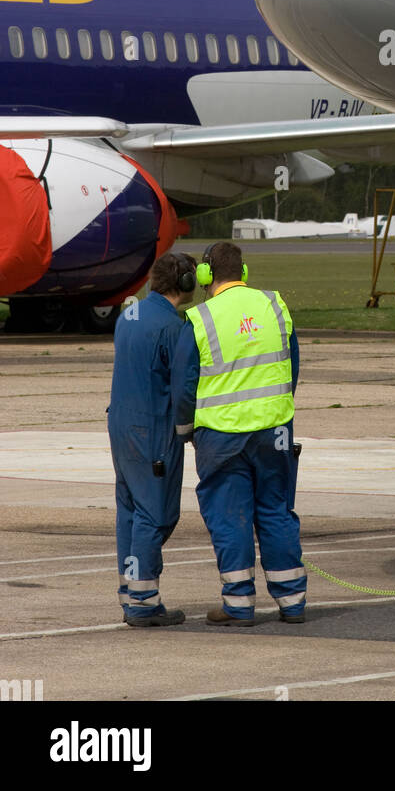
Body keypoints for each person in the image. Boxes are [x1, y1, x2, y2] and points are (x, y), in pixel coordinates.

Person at [172, 241, 305, 626]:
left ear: (205, 276)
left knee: (231, 517)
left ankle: (240, 605)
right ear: (243, 273)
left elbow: (184, 384)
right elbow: (291, 365)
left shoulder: (200, 319)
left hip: (221, 435)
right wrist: (276, 409)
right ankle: (292, 602)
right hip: (274, 430)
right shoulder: (275, 305)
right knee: (276, 511)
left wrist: (185, 431)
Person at [107, 251, 197, 627]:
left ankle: (131, 591)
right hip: (152, 431)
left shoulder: (128, 315)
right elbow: (182, 386)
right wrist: (188, 429)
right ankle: (143, 599)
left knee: (129, 510)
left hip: (121, 425)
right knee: (155, 513)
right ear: (186, 283)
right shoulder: (174, 326)